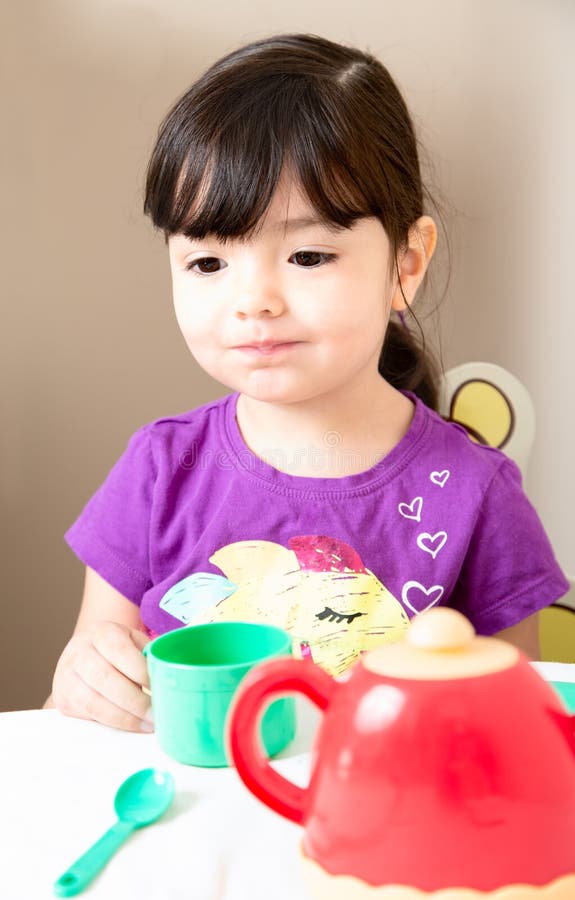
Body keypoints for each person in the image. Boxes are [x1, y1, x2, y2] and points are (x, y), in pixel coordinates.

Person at [45, 33, 569, 732]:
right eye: (206, 263)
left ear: (405, 264)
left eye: (308, 254)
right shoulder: (157, 470)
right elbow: (74, 711)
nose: (252, 299)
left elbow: (517, 732)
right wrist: (82, 686)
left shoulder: (477, 496)